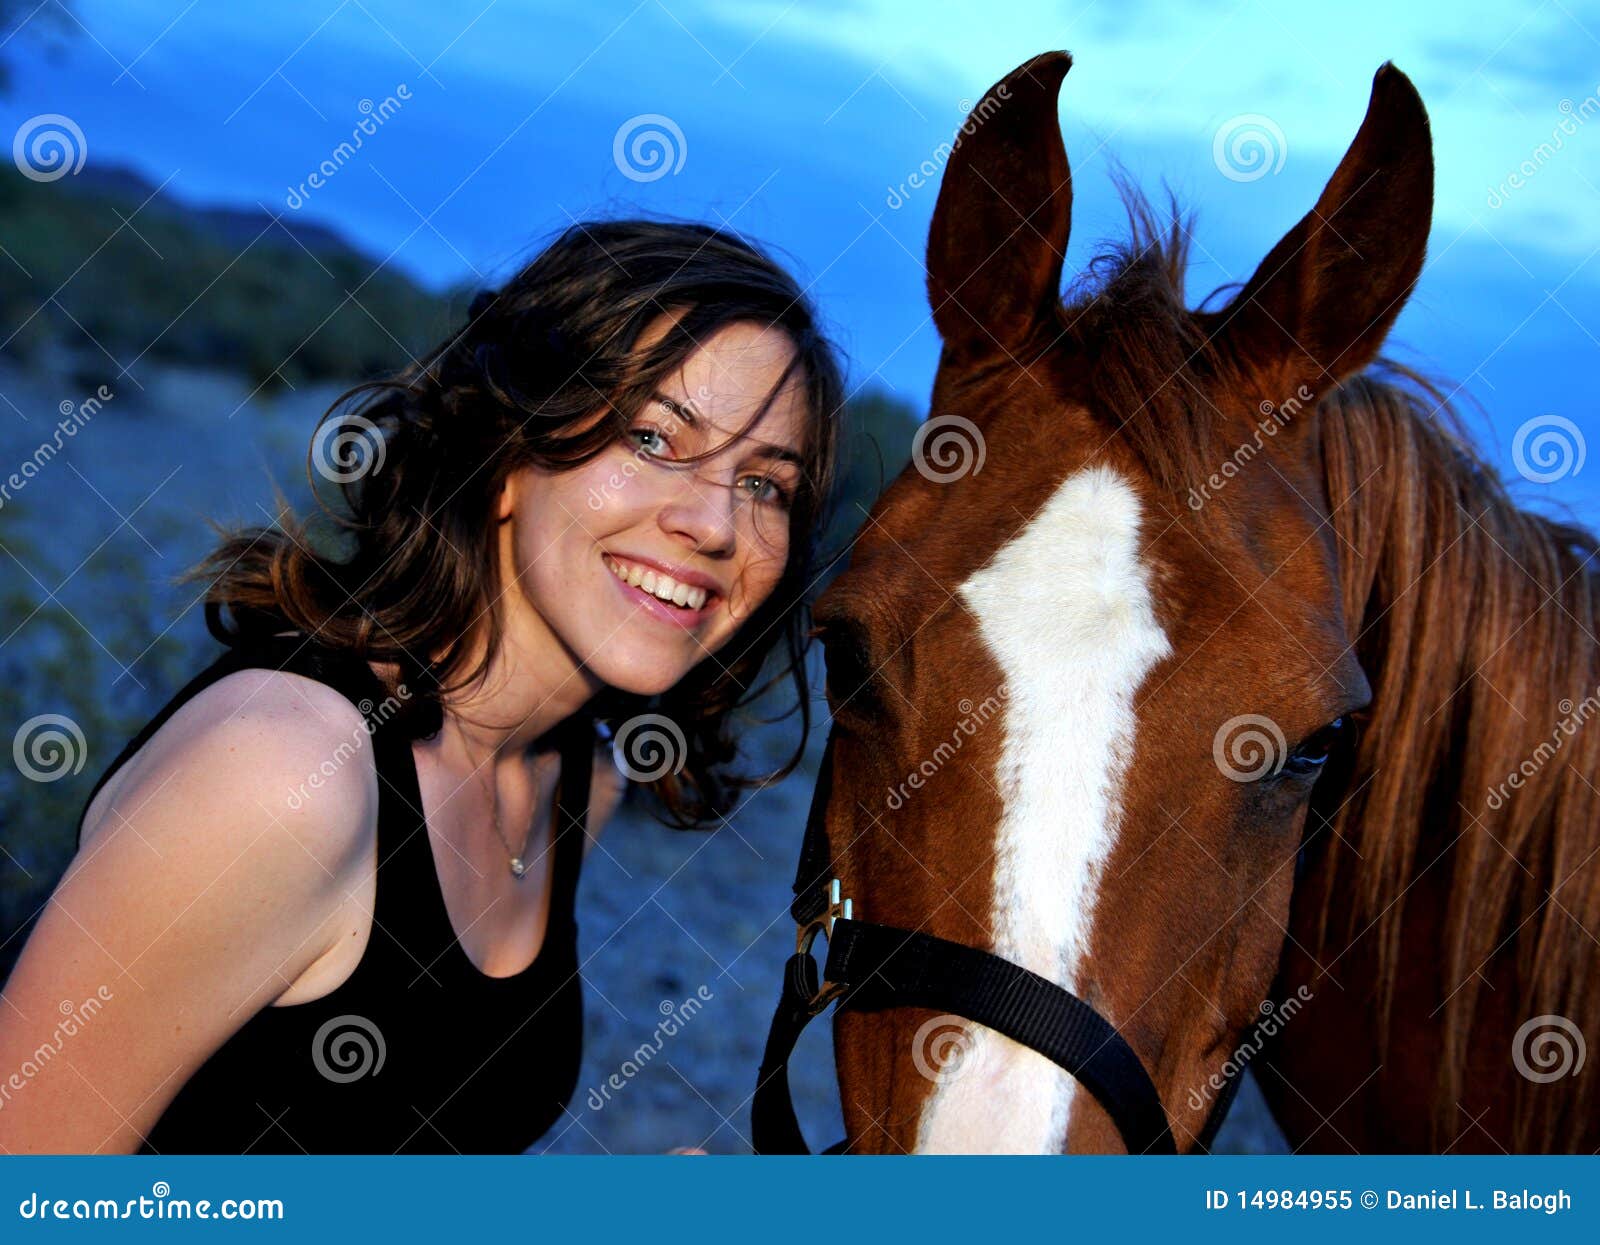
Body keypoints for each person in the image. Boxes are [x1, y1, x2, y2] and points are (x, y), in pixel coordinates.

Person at [0, 219, 844, 1154]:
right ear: (509, 451)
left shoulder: (574, 783)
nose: (715, 524)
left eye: (767, 485)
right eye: (653, 436)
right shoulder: (284, 774)